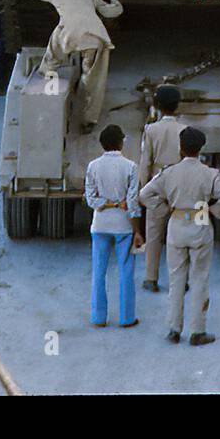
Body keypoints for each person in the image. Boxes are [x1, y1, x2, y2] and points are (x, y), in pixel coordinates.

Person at [139, 126, 220, 346]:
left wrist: (164, 209)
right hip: (200, 220)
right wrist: (214, 211)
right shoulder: (209, 173)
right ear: (201, 148)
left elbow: (145, 194)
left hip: (176, 223)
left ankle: (174, 329)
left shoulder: (169, 172)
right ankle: (197, 330)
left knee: (176, 279)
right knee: (199, 278)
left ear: (180, 148)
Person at [1, 0, 123, 133]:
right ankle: (89, 120)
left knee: (57, 36)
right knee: (94, 81)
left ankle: (47, 68)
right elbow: (111, 12)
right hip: (95, 37)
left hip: (69, 35)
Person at [84, 124, 143, 328]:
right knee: (126, 271)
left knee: (98, 271)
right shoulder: (131, 167)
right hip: (123, 225)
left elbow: (91, 200)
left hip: (100, 225)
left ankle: (98, 317)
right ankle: (127, 317)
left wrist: (106, 204)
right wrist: (137, 229)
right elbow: (133, 202)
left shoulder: (93, 166)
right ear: (120, 143)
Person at [137, 85, 186, 293]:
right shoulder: (184, 130)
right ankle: (180, 280)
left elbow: (145, 161)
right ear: (177, 106)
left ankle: (151, 278)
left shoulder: (151, 130)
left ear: (157, 106)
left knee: (154, 232)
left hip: (157, 181)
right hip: (178, 182)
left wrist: (142, 186)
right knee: (179, 235)